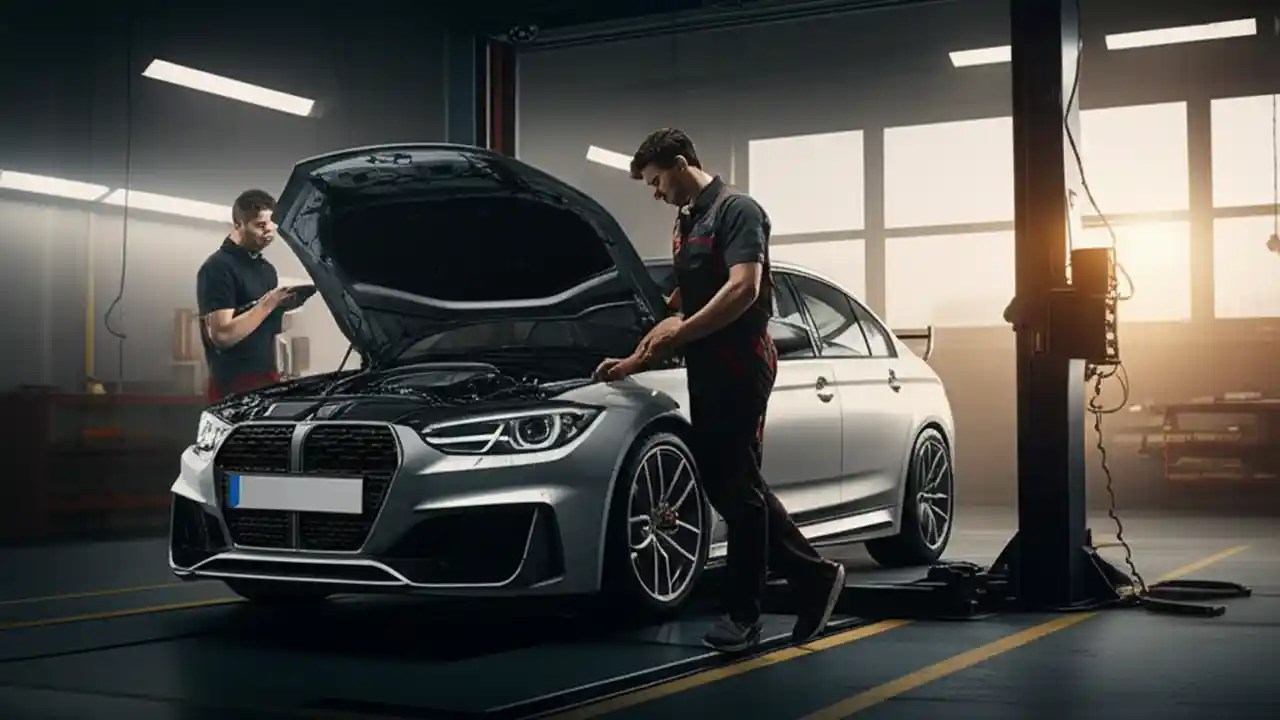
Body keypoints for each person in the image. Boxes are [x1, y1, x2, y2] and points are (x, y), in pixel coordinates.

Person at [594, 128, 846, 652]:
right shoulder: (686, 221)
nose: (656, 193)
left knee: (735, 485)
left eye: (657, 181)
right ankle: (814, 577)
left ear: (680, 163)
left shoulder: (738, 211)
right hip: (707, 366)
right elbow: (685, 300)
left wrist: (681, 333)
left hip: (741, 362)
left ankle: (745, 615)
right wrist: (634, 356)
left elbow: (743, 287)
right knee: (730, 483)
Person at [196, 189, 296, 402]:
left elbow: (269, 331)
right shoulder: (218, 267)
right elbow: (222, 336)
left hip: (267, 378)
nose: (269, 230)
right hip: (233, 384)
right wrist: (269, 303)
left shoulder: (267, 270)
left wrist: (284, 307)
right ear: (238, 224)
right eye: (260, 225)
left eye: (272, 223)